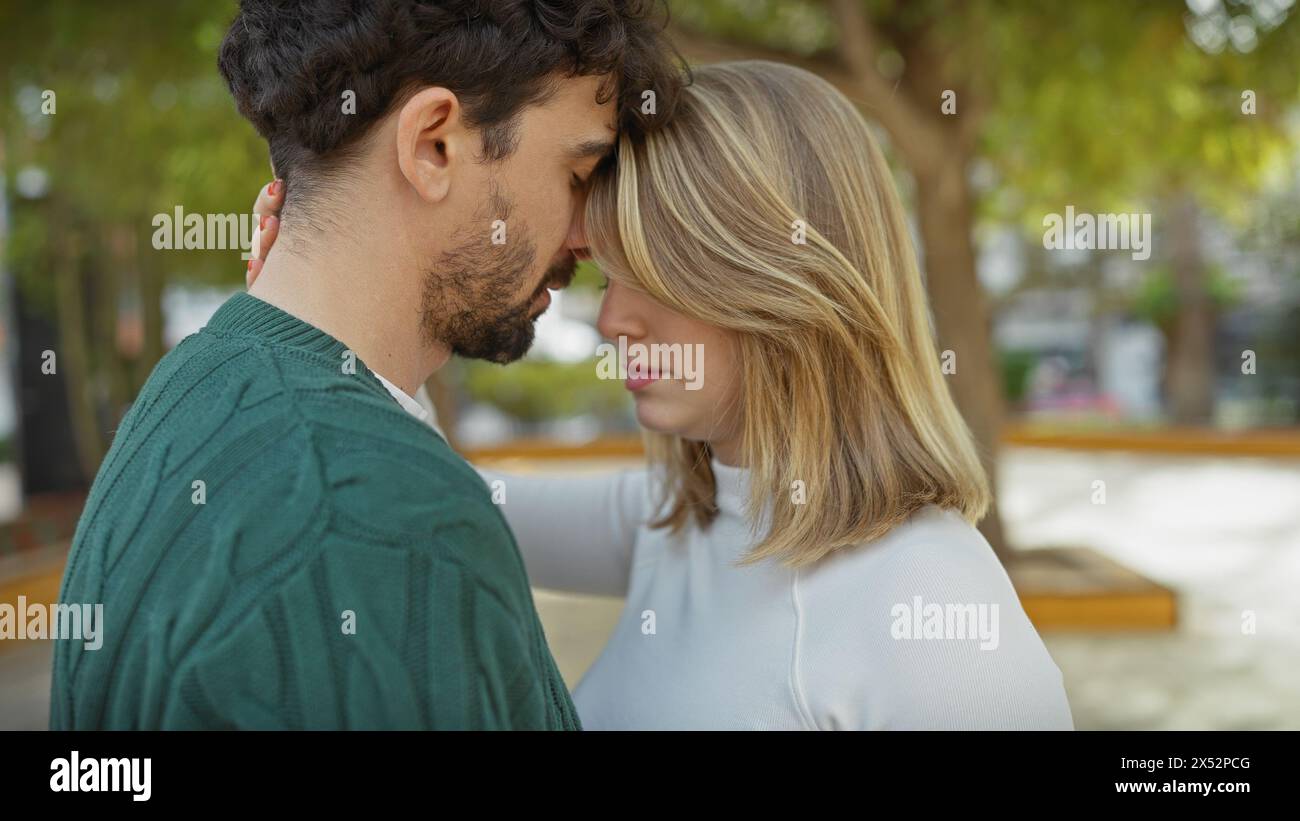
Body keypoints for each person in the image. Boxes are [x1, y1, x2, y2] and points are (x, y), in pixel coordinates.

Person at [249, 61, 1075, 729]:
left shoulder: (934, 613)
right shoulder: (686, 514)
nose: (611, 319)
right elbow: (444, 498)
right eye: (610, 274)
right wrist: (326, 308)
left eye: (652, 274)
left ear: (777, 278)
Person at [49, 0, 683, 730]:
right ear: (433, 145)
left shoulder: (191, 386)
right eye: (578, 172)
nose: (586, 235)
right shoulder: (383, 518)